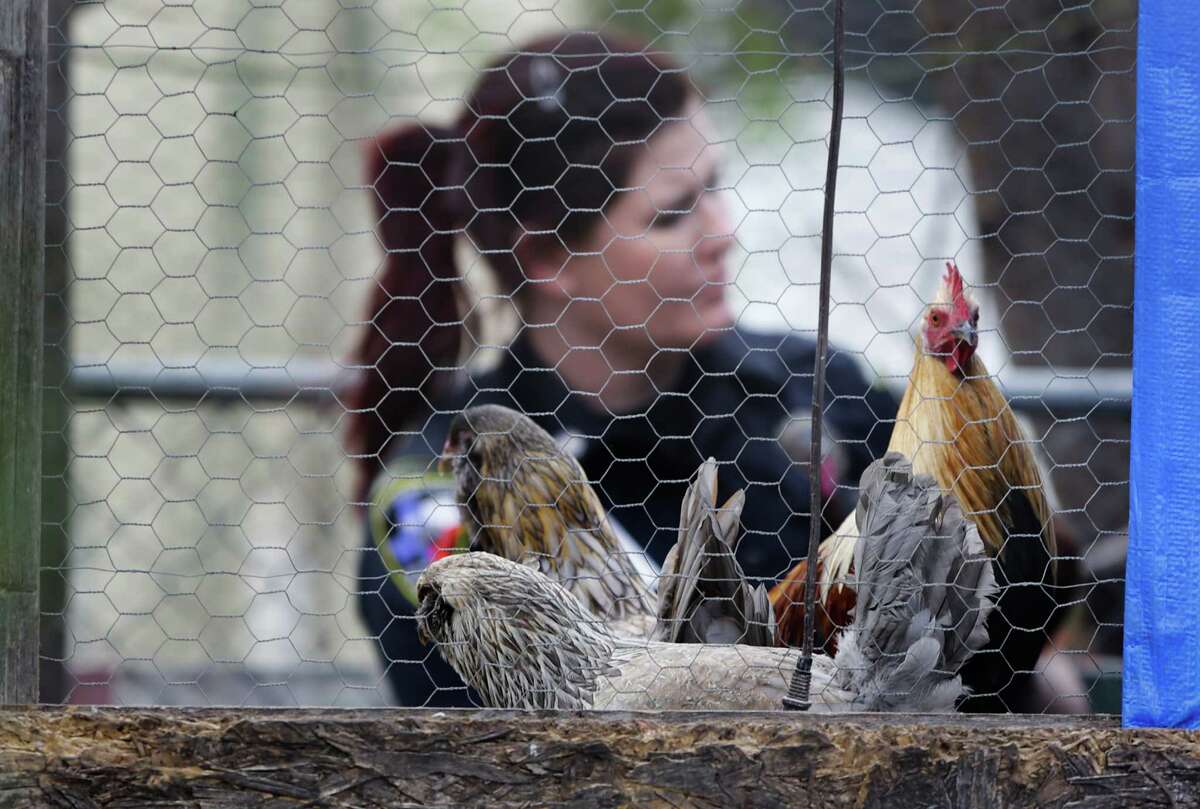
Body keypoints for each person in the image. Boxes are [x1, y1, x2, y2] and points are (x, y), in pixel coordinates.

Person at [348, 31, 897, 707]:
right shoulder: (444, 502)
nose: (723, 231)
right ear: (548, 258)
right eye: (672, 214)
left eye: (714, 187)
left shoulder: (819, 393)